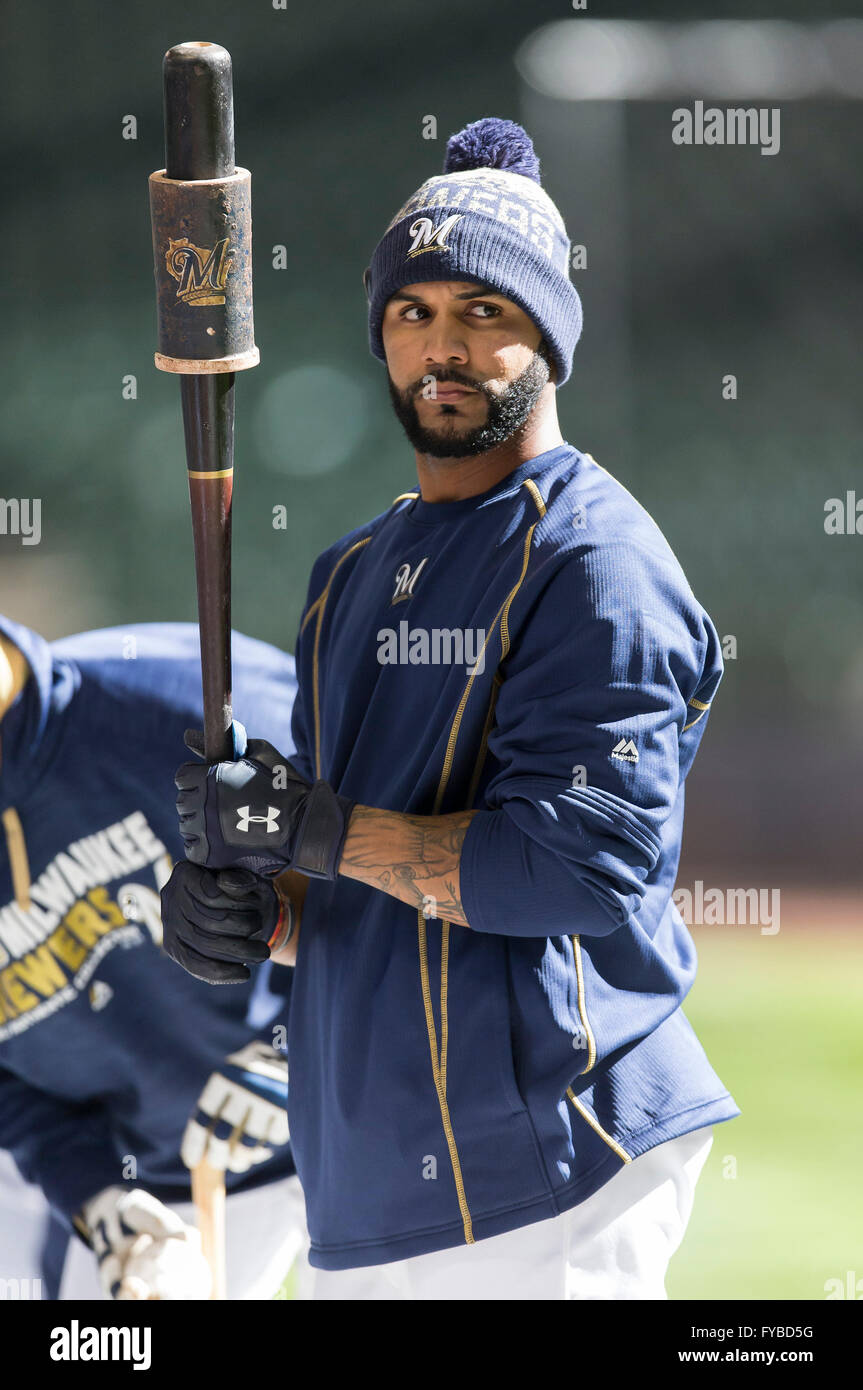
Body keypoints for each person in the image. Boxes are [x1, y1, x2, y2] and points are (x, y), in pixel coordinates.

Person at [161, 117, 740, 1300]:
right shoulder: (348, 573)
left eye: (483, 311)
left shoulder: (594, 565)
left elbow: (576, 870)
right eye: (411, 313)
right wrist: (254, 904)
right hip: (367, 1183)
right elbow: (346, 885)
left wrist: (316, 830)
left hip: (543, 1171)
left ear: (547, 339)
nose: (443, 347)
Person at [0, 616, 306, 1299]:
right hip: (160, 1189)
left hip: (374, 1116)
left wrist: (302, 1053)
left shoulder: (176, 702)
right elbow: (13, 1092)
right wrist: (108, 1210)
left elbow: (396, 879)